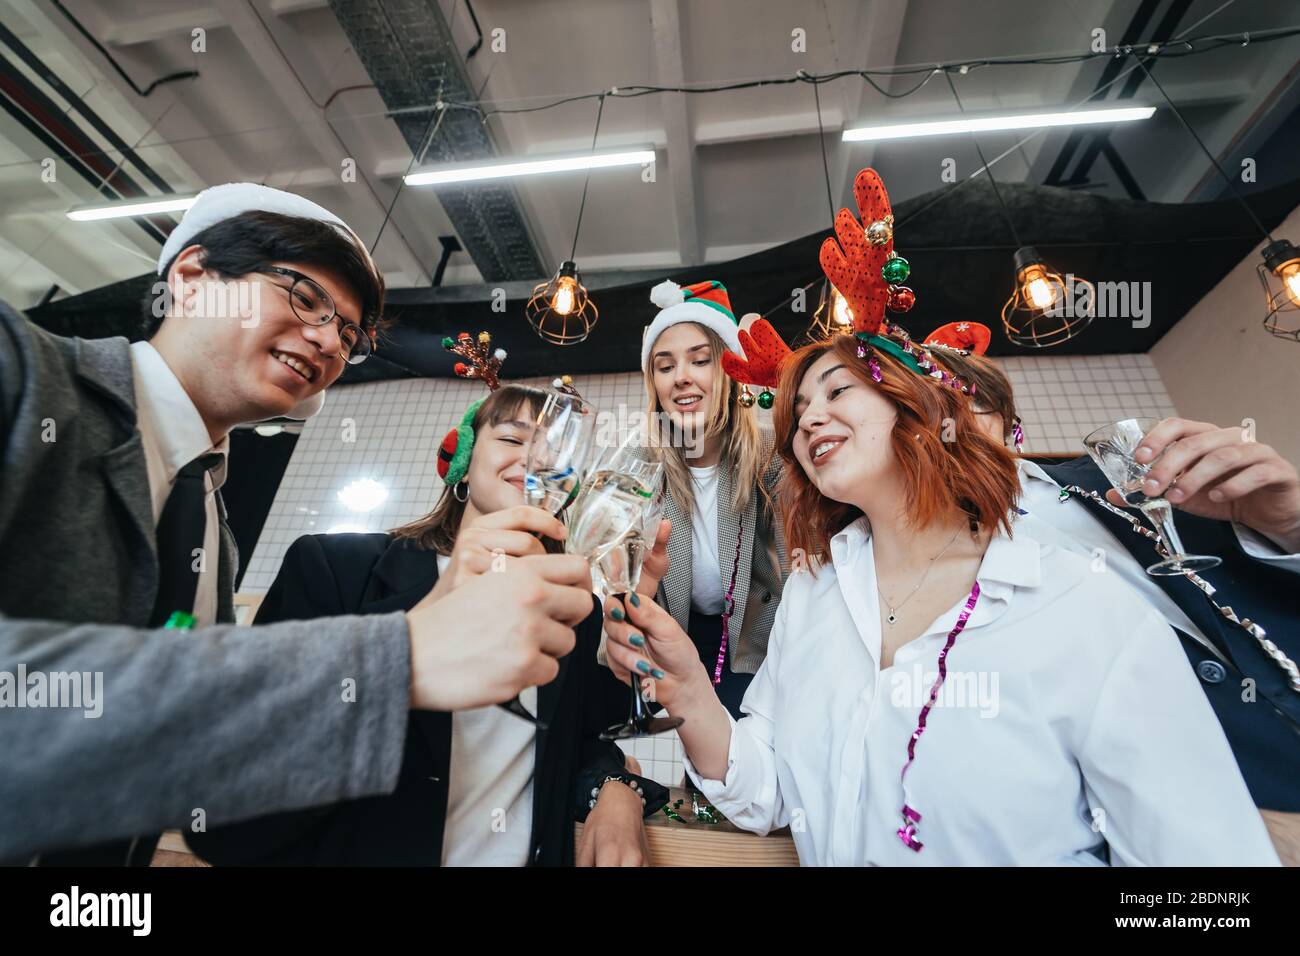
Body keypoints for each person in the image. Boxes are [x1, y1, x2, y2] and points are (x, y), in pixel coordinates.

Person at [599, 168, 1279, 865]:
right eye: (797, 410)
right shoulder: (815, 596)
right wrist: (687, 690)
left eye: (837, 390)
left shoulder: (1080, 600)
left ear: (919, 407)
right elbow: (768, 790)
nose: (809, 420)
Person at [0, 184, 591, 865]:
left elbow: (195, 784)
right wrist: (396, 661)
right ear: (191, 278)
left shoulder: (211, 532)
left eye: (348, 333)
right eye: (305, 297)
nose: (326, 342)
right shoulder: (23, 376)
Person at [187, 378, 667, 867]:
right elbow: (231, 802)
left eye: (553, 448)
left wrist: (617, 789)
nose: (534, 458)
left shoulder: (571, 610)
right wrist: (414, 640)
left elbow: (587, 738)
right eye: (512, 438)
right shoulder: (335, 570)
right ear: (461, 460)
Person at [928, 335, 1300, 865]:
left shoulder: (1132, 473)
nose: (941, 423)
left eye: (955, 397)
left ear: (1004, 418)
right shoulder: (899, 569)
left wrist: (1290, 529)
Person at [633, 279, 786, 717]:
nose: (681, 376)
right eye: (664, 367)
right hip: (680, 634)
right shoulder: (641, 466)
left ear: (729, 371)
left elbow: (798, 572)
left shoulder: (774, 458)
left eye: (700, 360)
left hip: (759, 637)